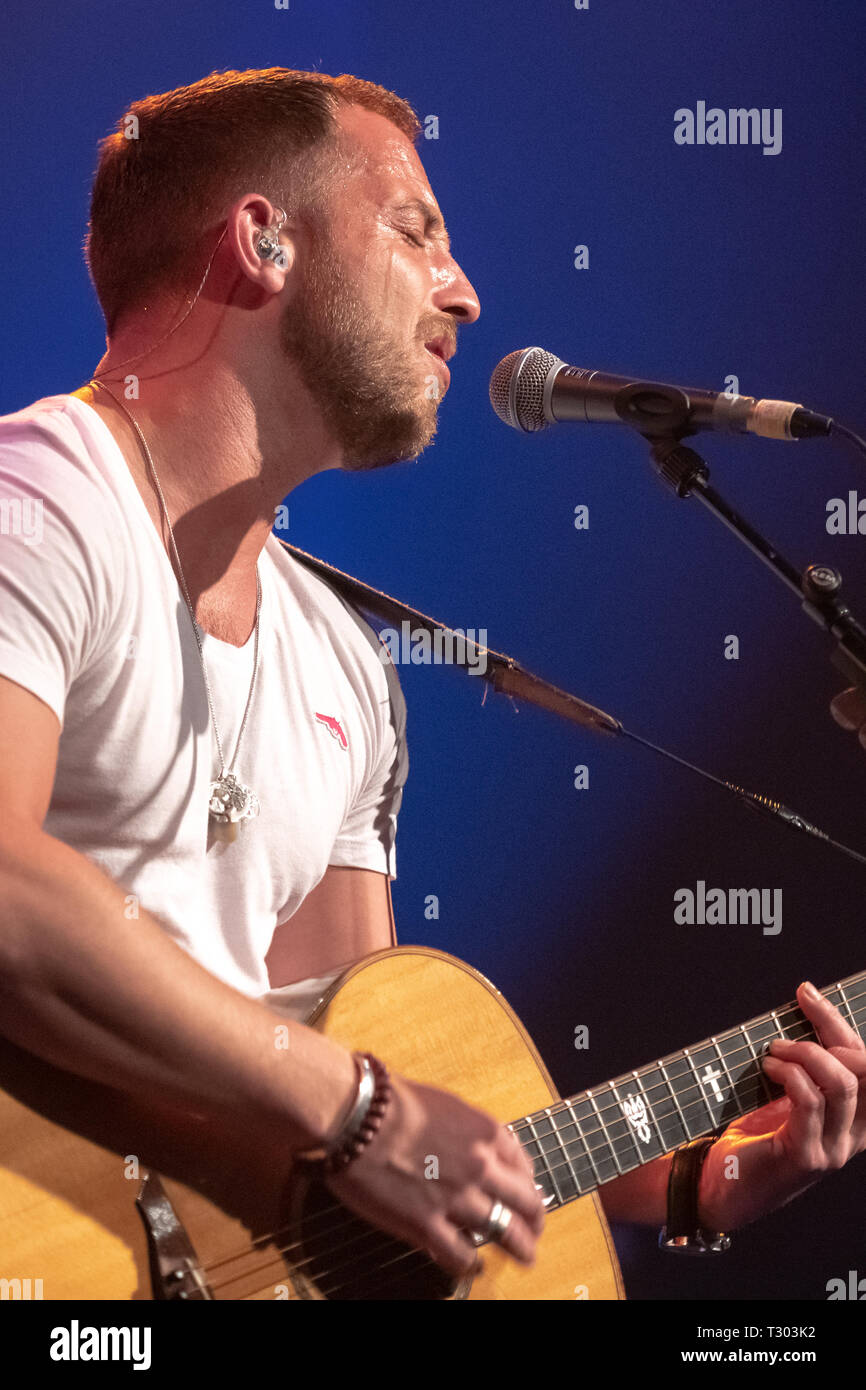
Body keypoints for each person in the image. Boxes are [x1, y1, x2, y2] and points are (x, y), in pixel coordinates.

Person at [0, 67, 863, 1291]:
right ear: (264, 240)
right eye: (414, 231)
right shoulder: (40, 501)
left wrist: (688, 1180)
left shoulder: (346, 662)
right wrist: (356, 1111)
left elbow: (388, 1059)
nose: (461, 293)